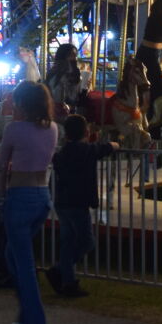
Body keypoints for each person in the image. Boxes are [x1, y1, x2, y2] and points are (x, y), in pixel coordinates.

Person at [0, 80, 59, 324]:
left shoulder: (14, 130)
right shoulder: (53, 129)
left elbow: (2, 166)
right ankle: (25, 315)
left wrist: (0, 194)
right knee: (14, 255)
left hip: (19, 196)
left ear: (22, 104)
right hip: (41, 195)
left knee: (23, 264)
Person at [46, 113, 116, 298]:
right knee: (86, 241)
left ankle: (67, 280)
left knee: (68, 241)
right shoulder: (86, 151)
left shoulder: (62, 153)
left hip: (62, 202)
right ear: (86, 132)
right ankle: (60, 270)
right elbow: (104, 149)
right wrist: (115, 144)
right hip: (78, 203)